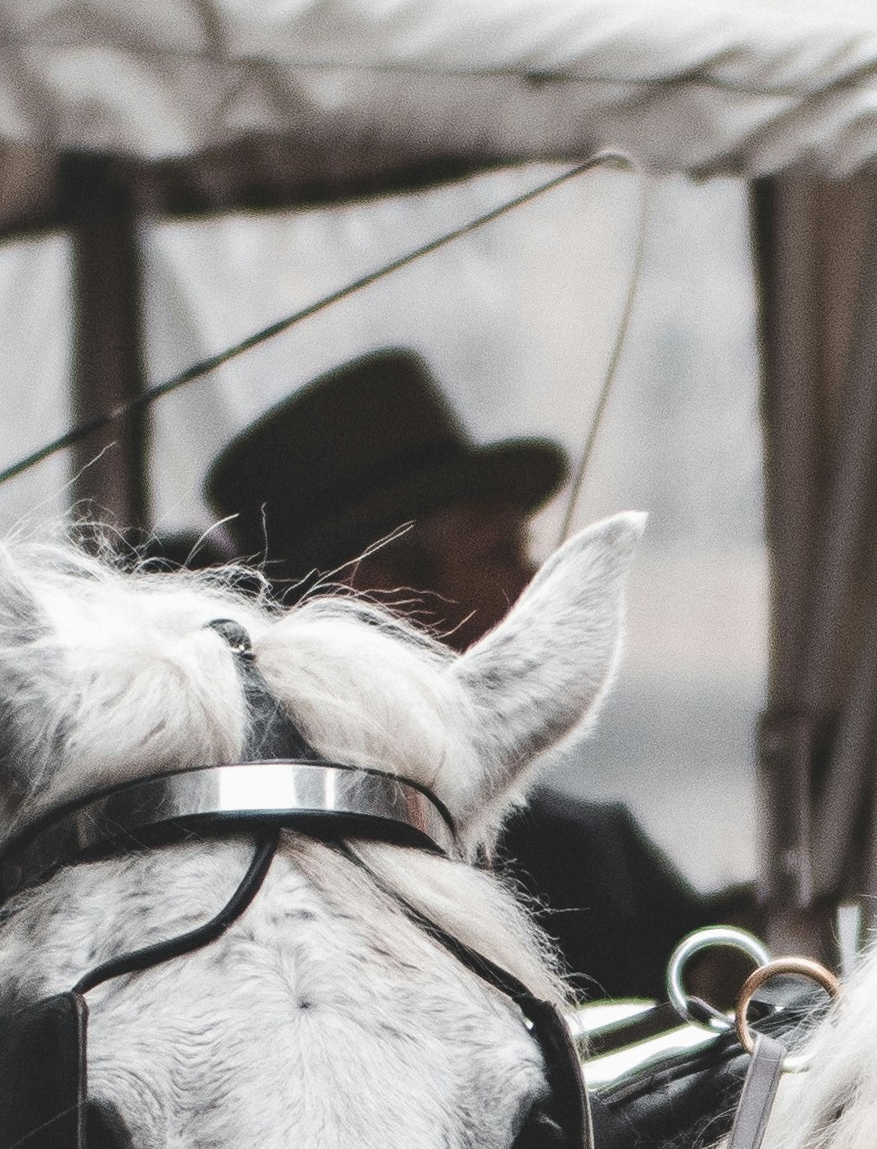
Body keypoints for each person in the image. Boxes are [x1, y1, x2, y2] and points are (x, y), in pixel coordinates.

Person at [204, 352, 713, 1002]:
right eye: (499, 556)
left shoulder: (591, 859)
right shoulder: (231, 871)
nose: (533, 589)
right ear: (378, 593)